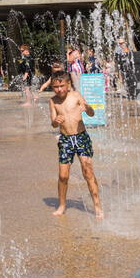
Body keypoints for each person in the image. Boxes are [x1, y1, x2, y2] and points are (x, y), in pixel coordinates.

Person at [47, 69, 104, 219]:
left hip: (81, 137)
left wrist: (89, 108)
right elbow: (53, 123)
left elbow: (91, 113)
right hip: (66, 140)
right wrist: (55, 121)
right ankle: (62, 205)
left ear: (68, 84)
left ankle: (97, 206)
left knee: (88, 172)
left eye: (62, 86)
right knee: (63, 176)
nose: (59, 90)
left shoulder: (76, 96)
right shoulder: (53, 101)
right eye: (55, 87)